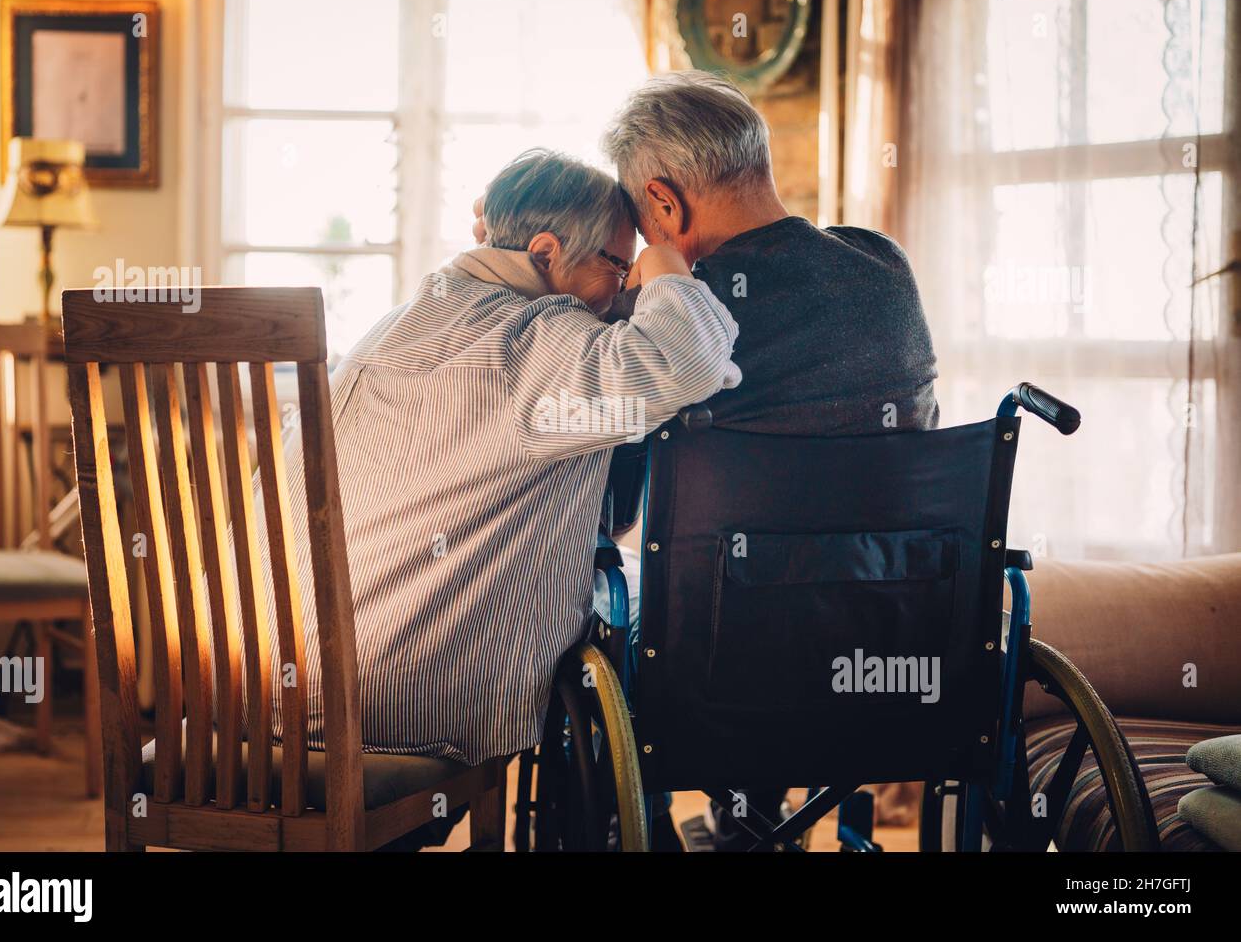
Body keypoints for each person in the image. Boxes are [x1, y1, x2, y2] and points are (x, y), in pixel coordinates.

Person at [478, 72, 939, 850]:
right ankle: (748, 818)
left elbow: (614, 509)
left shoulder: (674, 321)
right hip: (897, 639)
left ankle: (677, 821)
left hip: (714, 666)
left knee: (632, 584)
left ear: (662, 203)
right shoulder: (884, 269)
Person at [253, 148, 741, 781]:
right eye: (620, 268)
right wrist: (668, 263)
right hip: (375, 710)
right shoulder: (534, 343)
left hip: (255, 685)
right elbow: (692, 360)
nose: (623, 291)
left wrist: (614, 289)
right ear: (544, 254)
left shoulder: (405, 323)